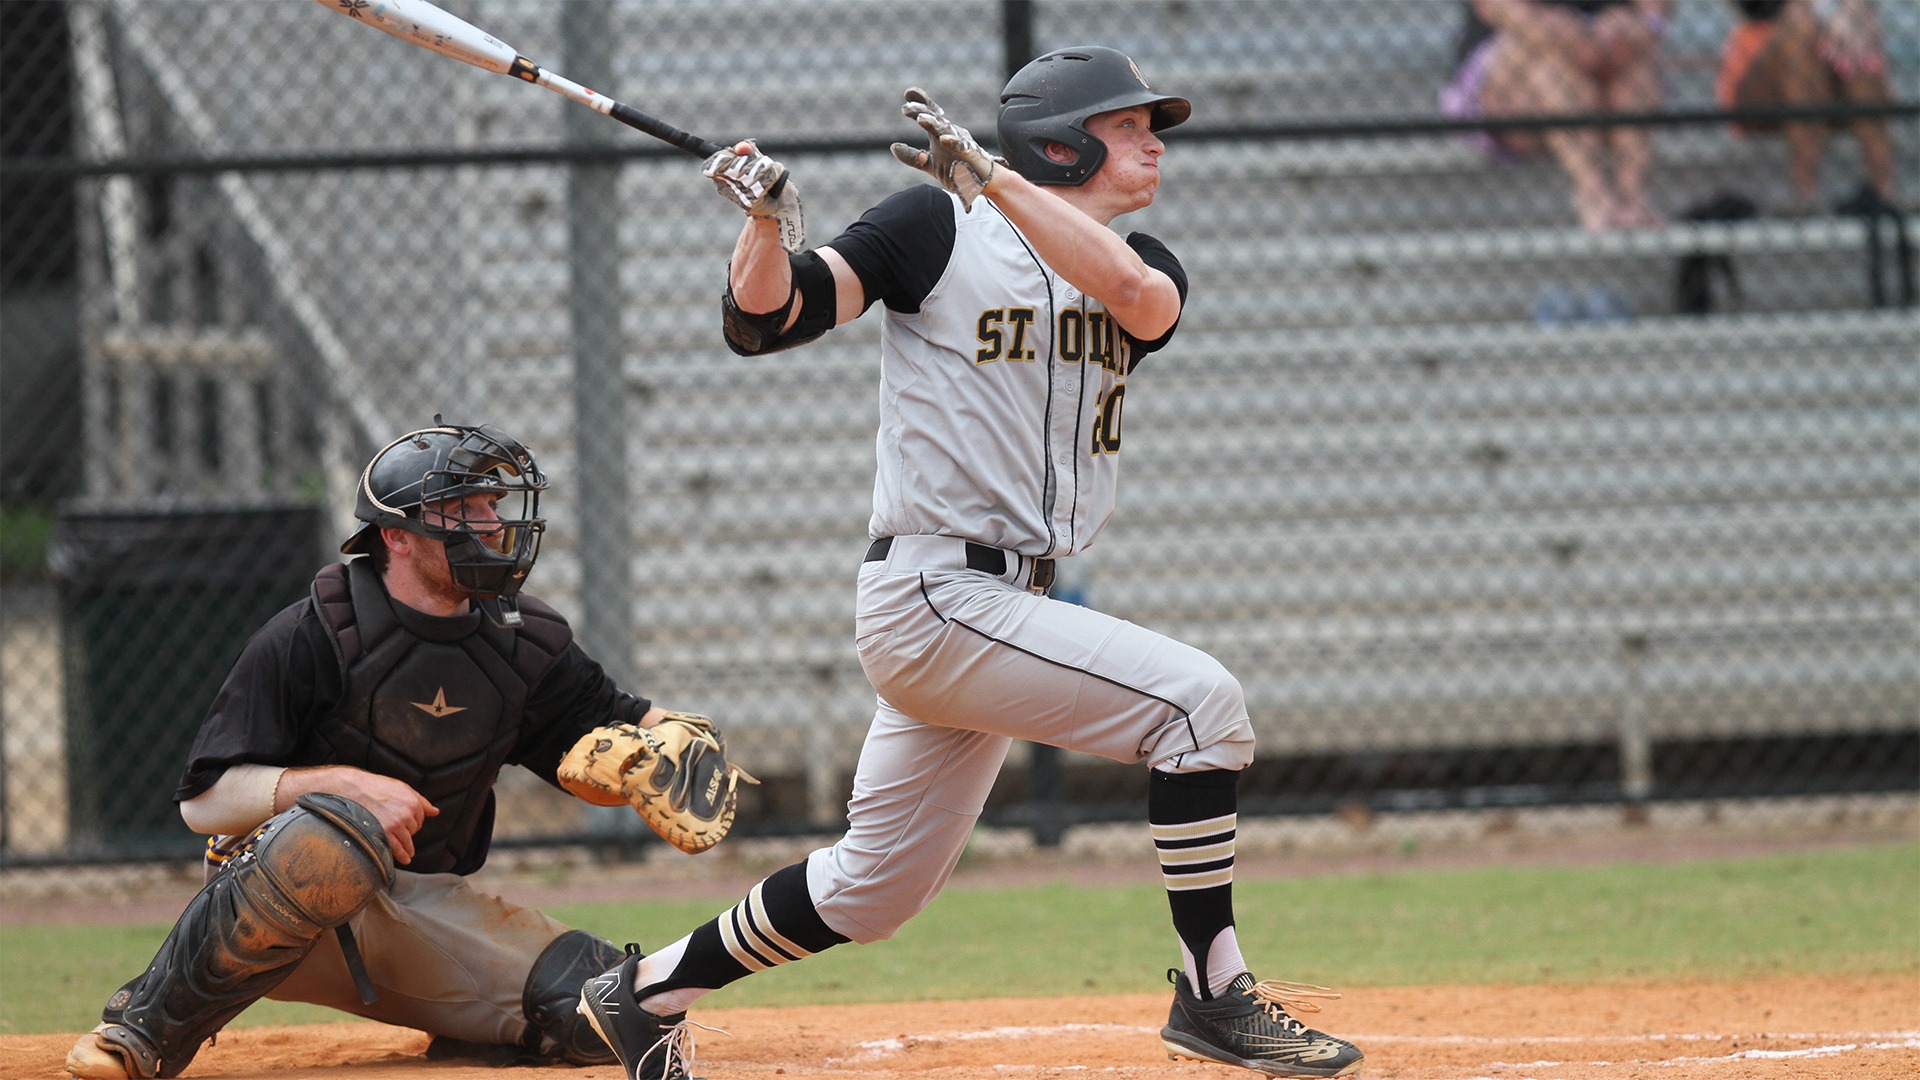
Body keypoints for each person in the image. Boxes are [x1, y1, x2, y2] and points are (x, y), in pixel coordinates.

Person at [576, 46, 1366, 1080]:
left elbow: (1132, 295)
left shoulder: (1147, 259)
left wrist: (992, 176)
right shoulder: (932, 226)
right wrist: (764, 224)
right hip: (937, 590)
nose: (1154, 141)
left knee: (878, 888)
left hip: (1001, 606)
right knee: (1199, 711)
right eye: (1130, 126)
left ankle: (640, 995)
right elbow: (765, 320)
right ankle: (1216, 998)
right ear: (1065, 140)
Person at [65, 420, 752, 1079]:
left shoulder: (525, 644)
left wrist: (685, 746)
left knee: (611, 1013)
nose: (491, 520)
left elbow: (631, 723)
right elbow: (204, 802)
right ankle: (140, 1033)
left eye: (492, 502)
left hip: (421, 911)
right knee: (336, 832)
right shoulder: (315, 632)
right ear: (396, 534)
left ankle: (475, 1020)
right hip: (271, 911)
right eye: (464, 507)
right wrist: (343, 786)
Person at [1441, 0, 1673, 229]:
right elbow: (1496, 7)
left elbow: (1654, 12)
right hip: (1516, 51)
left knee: (1633, 61)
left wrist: (1640, 27)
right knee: (1551, 64)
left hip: (1608, 54)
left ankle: (1633, 197)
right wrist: (1558, 32)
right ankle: (1593, 193)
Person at [1717, 0, 1901, 214]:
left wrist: (1850, 12)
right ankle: (1807, 190)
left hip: (1834, 60)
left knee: (1852, 29)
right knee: (1800, 23)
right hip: (1762, 73)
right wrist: (1827, 10)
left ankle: (1883, 190)